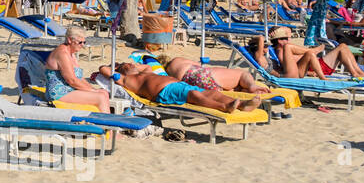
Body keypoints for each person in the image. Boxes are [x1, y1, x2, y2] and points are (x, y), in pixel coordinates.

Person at [105, 61, 260, 113]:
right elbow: (103, 69)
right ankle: (223, 107)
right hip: (164, 92)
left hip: (178, 85)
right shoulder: (125, 79)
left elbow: (145, 65)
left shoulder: (144, 71)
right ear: (121, 70)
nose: (130, 64)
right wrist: (117, 67)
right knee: (194, 95)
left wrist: (136, 65)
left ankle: (241, 104)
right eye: (126, 65)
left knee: (210, 92)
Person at [253, 27, 364, 80]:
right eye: (285, 38)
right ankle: (356, 73)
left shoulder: (278, 52)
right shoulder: (280, 51)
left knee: (343, 47)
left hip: (314, 65)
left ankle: (358, 72)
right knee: (341, 47)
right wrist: (311, 72)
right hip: (315, 67)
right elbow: (289, 67)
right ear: (279, 40)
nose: (288, 40)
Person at [43, 26, 110, 112]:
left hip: (69, 89)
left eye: (84, 42)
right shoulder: (62, 54)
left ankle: (108, 119)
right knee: (100, 97)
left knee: (104, 92)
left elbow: (79, 78)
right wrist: (92, 91)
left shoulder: (71, 53)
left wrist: (93, 89)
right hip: (59, 93)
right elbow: (72, 80)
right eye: (80, 42)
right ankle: (106, 122)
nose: (83, 45)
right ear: (70, 40)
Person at [163, 56, 269, 95]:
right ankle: (251, 86)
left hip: (194, 85)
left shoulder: (167, 74)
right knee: (242, 74)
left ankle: (245, 90)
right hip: (199, 74)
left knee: (234, 89)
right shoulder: (176, 60)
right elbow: (198, 65)